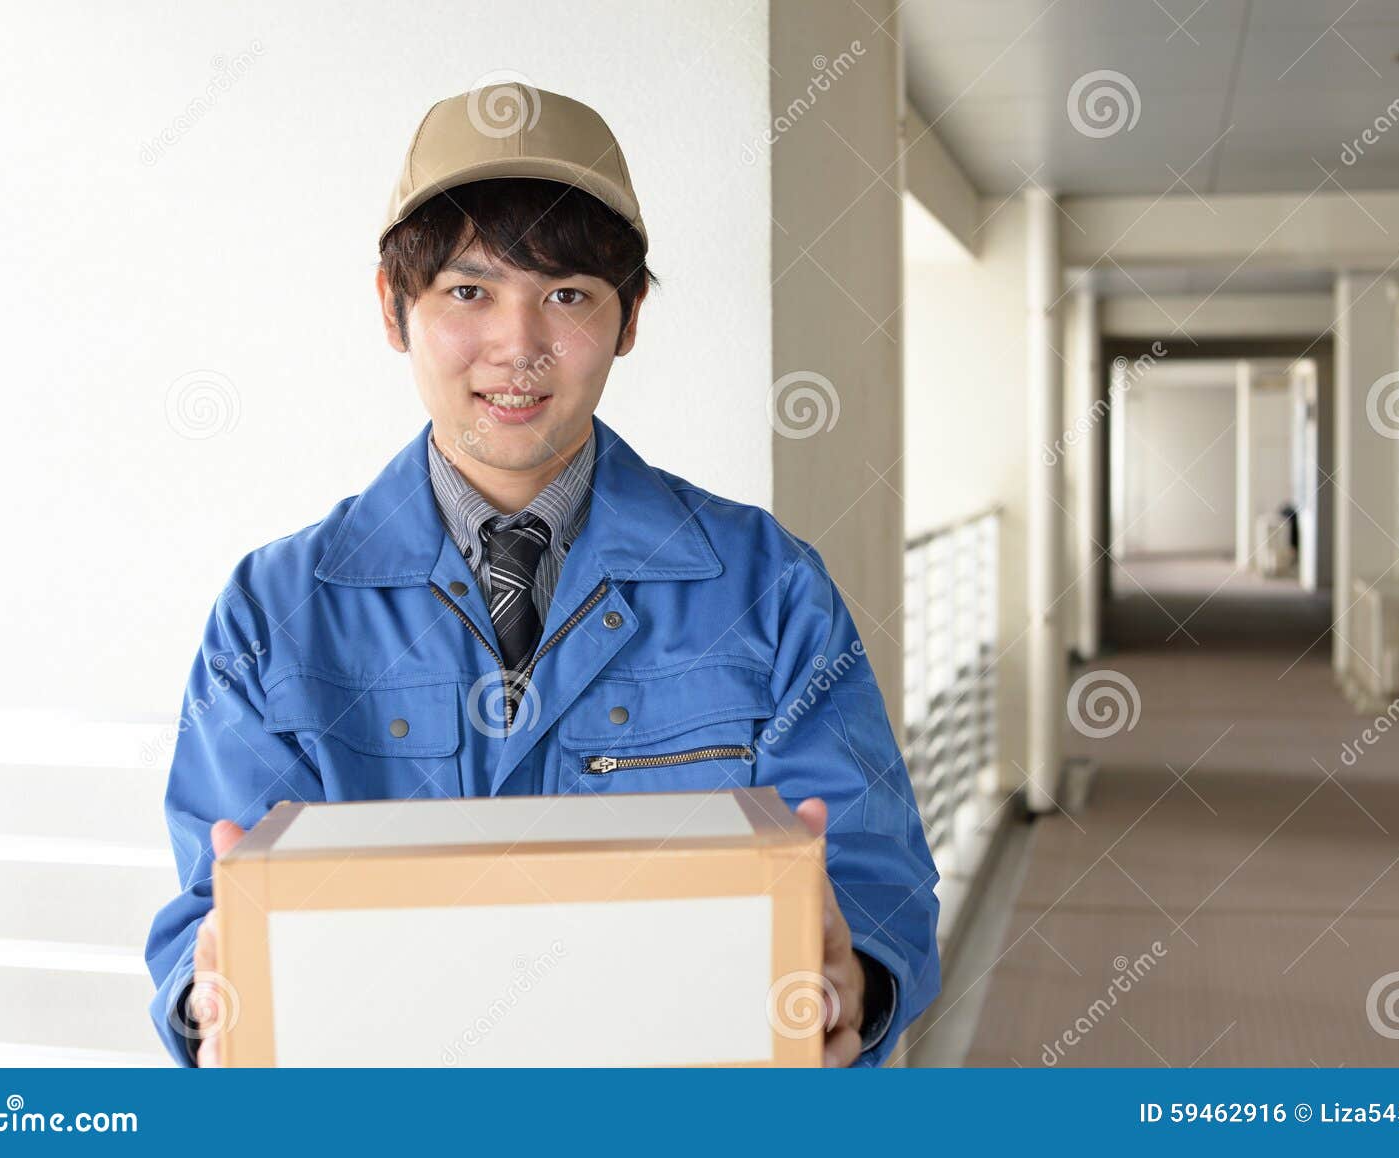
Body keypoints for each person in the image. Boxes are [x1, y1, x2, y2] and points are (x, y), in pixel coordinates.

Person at [144, 83, 941, 1068]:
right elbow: (204, 925)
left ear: (629, 317)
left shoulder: (768, 589)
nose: (517, 348)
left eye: (566, 294)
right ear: (395, 310)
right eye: (468, 291)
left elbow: (872, 881)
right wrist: (207, 1003)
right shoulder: (274, 613)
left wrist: (848, 980)